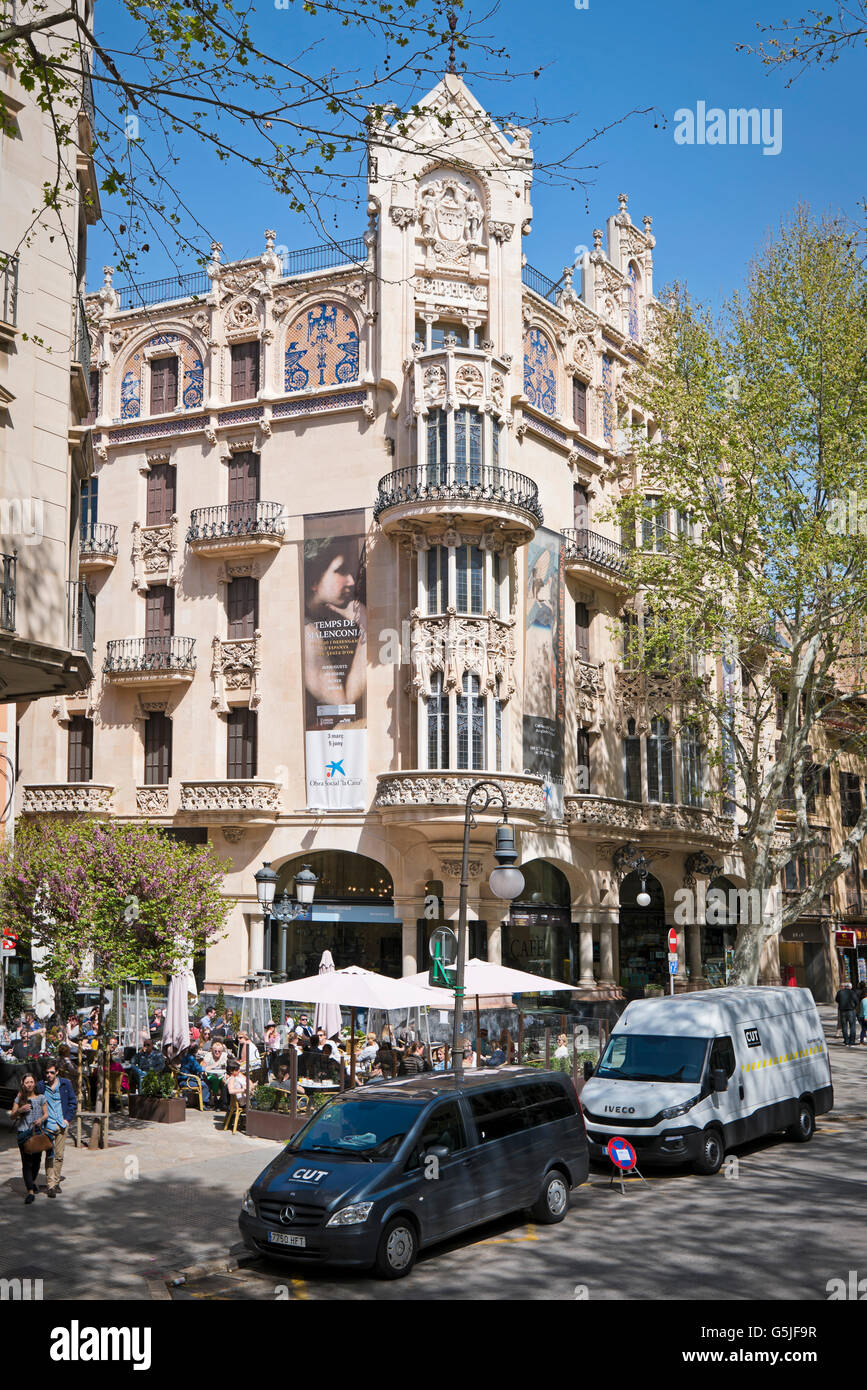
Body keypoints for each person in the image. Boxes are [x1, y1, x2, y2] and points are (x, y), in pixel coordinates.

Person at [37, 1061, 76, 1198]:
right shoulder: (41, 1086)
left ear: (57, 1072)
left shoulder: (65, 1084)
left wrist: (67, 1119)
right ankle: (51, 1185)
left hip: (62, 1124)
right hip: (48, 1126)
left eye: (52, 1072)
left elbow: (72, 1102)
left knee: (59, 1155)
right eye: (47, 1072)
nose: (49, 1075)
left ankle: (56, 1181)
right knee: (50, 1155)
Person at [11, 1073, 48, 1204]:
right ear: (23, 1084)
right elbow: (12, 1116)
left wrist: (41, 1120)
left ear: (35, 1083)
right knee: (27, 1163)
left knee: (37, 1161)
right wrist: (20, 1110)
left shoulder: (41, 1097)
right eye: (27, 1082)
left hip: (37, 1133)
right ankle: (30, 1191)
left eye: (31, 1082)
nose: (30, 1084)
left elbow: (46, 1114)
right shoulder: (19, 1098)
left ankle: (31, 1182)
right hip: (23, 1134)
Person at [836, 982, 859, 1047]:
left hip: (842, 1011)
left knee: (844, 1026)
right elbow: (856, 1001)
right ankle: (852, 1042)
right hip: (851, 1011)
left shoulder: (840, 992)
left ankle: (846, 1041)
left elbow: (837, 1000)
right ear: (850, 987)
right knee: (852, 1026)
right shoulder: (852, 992)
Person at [857, 980, 867, 1045]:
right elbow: (865, 1010)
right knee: (864, 1029)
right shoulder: (865, 1000)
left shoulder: (863, 1000)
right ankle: (861, 1040)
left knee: (864, 1029)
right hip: (864, 1017)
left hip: (861, 1016)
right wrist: (866, 1017)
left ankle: (861, 1040)